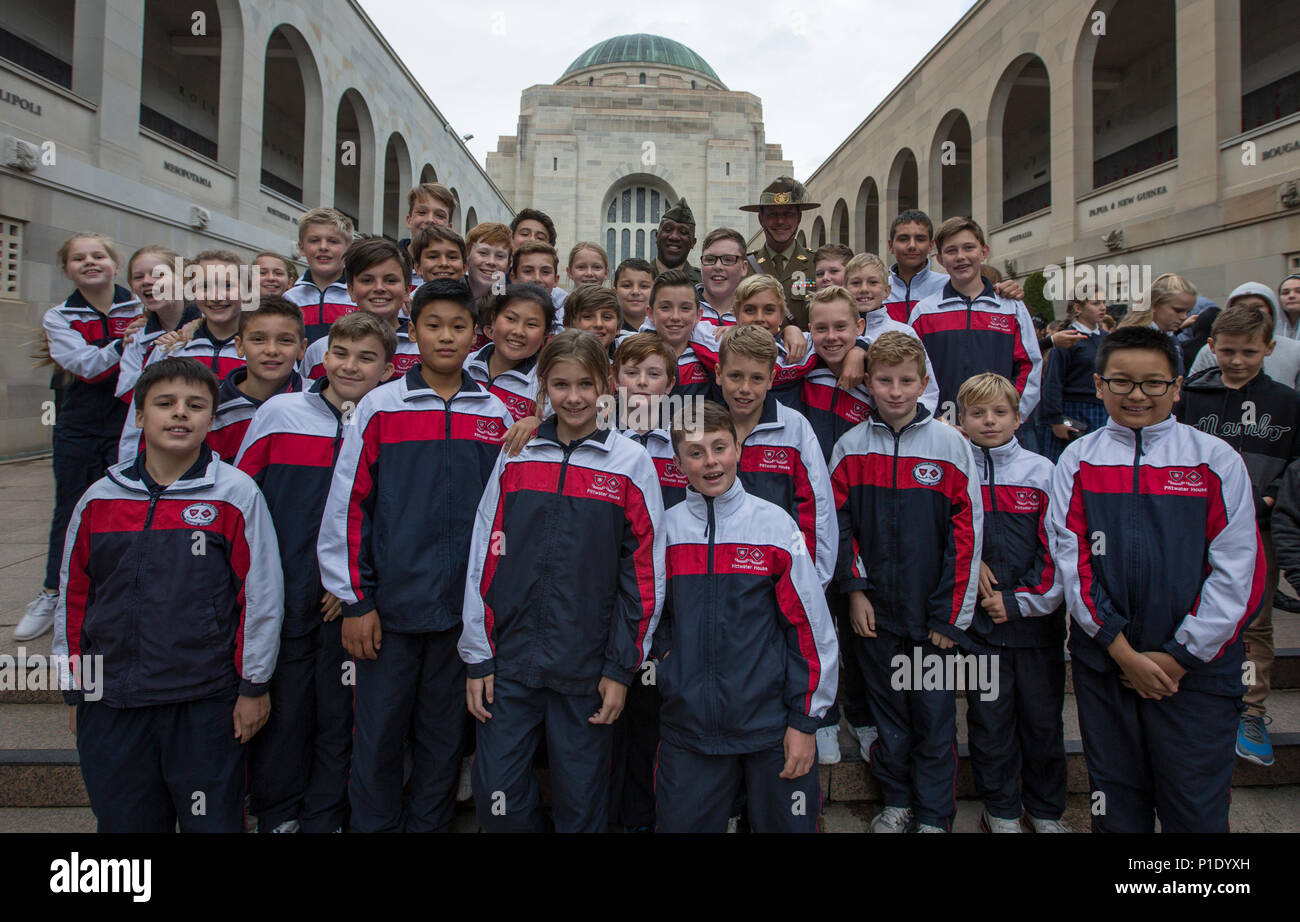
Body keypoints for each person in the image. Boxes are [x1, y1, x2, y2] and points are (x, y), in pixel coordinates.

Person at [1048, 325, 1265, 833]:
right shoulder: (1078, 460)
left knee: (1196, 806)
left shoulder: (1215, 460)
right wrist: (1121, 651)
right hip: (1107, 667)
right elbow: (1071, 559)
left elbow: (1238, 571)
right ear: (1099, 385)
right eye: (1121, 382)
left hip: (1198, 673)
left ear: (1177, 386)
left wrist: (1180, 656)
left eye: (1153, 383)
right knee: (1116, 802)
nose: (1137, 395)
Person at [53, 356, 284, 832]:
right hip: (112, 701)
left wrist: (253, 685)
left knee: (213, 821)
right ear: (140, 416)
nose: (180, 413)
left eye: (195, 405)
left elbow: (261, 597)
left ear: (210, 419)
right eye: (165, 403)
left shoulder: (235, 494)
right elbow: (73, 598)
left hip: (203, 699)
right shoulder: (100, 498)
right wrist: (75, 686)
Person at [318, 279, 514, 833]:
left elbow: (502, 517)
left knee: (442, 741)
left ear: (474, 334)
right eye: (433, 325)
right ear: (412, 330)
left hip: (459, 617)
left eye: (457, 326)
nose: (446, 337)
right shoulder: (381, 408)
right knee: (378, 738)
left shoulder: (494, 415)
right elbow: (347, 508)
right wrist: (356, 601)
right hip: (389, 615)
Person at [459, 330, 665, 833]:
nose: (573, 397)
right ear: (542, 387)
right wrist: (478, 652)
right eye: (559, 385)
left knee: (582, 802)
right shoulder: (517, 452)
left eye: (585, 384)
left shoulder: (631, 463)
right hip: (507, 661)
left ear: (607, 384)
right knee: (499, 796)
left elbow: (644, 574)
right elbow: (484, 551)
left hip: (587, 664)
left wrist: (620, 669)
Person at [236, 310, 396, 834]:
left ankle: (325, 815)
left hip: (349, 595)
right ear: (321, 358)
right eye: (340, 353)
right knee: (285, 709)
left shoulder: (383, 420)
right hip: (282, 586)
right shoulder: (281, 413)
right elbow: (243, 500)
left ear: (389, 369)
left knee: (339, 714)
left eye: (366, 357)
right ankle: (279, 813)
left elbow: (383, 513)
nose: (350, 366)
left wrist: (350, 583)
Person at [654, 400, 838, 832]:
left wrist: (805, 722)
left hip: (772, 729)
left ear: (737, 449)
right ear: (679, 462)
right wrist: (667, 665)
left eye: (719, 447)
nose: (710, 461)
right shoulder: (667, 529)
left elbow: (810, 629)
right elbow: (651, 614)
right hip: (689, 730)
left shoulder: (774, 526)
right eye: (696, 452)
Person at [830, 331, 982, 832]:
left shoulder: (951, 445)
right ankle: (896, 801)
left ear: (923, 383)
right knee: (888, 716)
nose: (895, 391)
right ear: (868, 382)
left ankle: (936, 816)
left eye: (906, 381)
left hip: (929, 616)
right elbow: (839, 524)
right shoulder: (851, 446)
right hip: (876, 613)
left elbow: (967, 538)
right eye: (884, 380)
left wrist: (949, 615)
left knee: (934, 720)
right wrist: (854, 590)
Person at [1175, 303, 1300, 768]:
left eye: (1250, 351)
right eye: (1228, 350)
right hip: (1193, 529)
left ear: (1269, 348)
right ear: (1211, 348)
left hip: (1259, 530)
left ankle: (1250, 711)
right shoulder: (1191, 396)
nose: (1238, 360)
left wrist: (1270, 501)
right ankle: (1193, 698)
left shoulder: (1287, 402)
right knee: (1189, 607)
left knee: (1255, 623)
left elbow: (1294, 466)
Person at [958, 372, 1069, 833]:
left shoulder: (1043, 472)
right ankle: (1000, 809)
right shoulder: (955, 471)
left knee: (1043, 726)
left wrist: (1023, 602)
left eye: (1000, 412)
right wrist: (971, 563)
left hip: (1035, 628)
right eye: (978, 413)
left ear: (1019, 417)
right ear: (960, 420)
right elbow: (948, 536)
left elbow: (1060, 550)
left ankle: (1045, 811)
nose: (989, 421)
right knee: (990, 724)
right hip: (980, 630)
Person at [18, 234, 141, 643]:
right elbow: (85, 366)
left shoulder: (139, 305)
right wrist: (125, 344)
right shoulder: (60, 316)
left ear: (113, 262)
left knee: (129, 510)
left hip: (132, 424)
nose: (90, 262)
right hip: (80, 427)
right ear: (67, 269)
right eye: (78, 258)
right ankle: (53, 592)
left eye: (98, 255)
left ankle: (120, 594)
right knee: (70, 510)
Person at [607, 331, 683, 831]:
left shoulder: (684, 439)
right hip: (605, 597)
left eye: (654, 374)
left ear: (672, 384)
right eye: (631, 373)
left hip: (668, 601)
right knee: (607, 718)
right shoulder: (593, 433)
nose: (641, 384)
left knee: (653, 720)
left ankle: (646, 817)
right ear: (613, 380)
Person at [116, 250, 249, 463]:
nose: (216, 296)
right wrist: (129, 468)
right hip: (176, 470)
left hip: (243, 469)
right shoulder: (168, 349)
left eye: (227, 286)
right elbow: (138, 419)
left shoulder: (259, 351)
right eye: (205, 286)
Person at [908, 217, 1042, 421]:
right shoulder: (924, 312)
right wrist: (930, 419)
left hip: (998, 430)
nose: (960, 257)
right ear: (941, 259)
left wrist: (1011, 417)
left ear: (984, 251)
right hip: (942, 428)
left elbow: (1029, 367)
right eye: (951, 251)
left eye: (968, 247)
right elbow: (912, 371)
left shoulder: (1011, 308)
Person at [302, 238, 418, 380]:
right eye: (367, 280)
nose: (379, 288)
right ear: (351, 291)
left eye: (390, 280)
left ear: (407, 290)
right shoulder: (320, 350)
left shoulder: (423, 349)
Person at [205, 298, 306, 461]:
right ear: (239, 346)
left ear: (302, 348)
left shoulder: (319, 402)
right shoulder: (213, 408)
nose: (271, 350)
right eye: (258, 339)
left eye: (285, 340)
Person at [843, 253, 939, 412]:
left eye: (873, 282)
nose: (864, 289)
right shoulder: (837, 333)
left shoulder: (904, 332)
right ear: (845, 289)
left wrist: (915, 422)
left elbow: (927, 390)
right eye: (856, 283)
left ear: (887, 291)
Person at [465, 282, 551, 421]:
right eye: (510, 319)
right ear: (493, 319)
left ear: (545, 334)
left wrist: (539, 427)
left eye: (531, 324)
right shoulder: (464, 365)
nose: (518, 331)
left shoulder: (546, 385)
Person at [1188, 283, 1300, 390]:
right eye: (1227, 351)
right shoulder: (1209, 351)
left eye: (1257, 307)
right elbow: (1193, 387)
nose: (1237, 361)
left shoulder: (1294, 349)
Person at [742, 176, 820, 328]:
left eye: (788, 214)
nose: (780, 221)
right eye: (772, 214)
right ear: (761, 219)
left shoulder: (817, 264)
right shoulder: (745, 266)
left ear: (799, 217)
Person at [1040, 295, 1109, 461]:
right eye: (1095, 303)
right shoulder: (1068, 339)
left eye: (1104, 303)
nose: (1103, 307)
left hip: (1103, 410)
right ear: (1078, 308)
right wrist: (1056, 420)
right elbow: (1053, 382)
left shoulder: (1107, 338)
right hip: (1073, 412)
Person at [284, 208, 357, 343]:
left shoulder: (359, 297)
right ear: (301, 248)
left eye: (333, 241)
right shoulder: (289, 299)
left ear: (348, 249)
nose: (323, 247)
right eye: (314, 240)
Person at [1117, 272, 1197, 376]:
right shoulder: (1132, 340)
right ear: (1155, 304)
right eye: (1178, 310)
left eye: (1188, 312)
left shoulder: (1172, 338)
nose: (1184, 317)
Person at [698, 227, 749, 324]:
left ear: (744, 267)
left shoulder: (755, 316)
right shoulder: (681, 309)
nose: (718, 266)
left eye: (728, 259)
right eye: (710, 259)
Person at [563, 285, 621, 354]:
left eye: (607, 317)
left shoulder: (629, 361)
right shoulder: (555, 362)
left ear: (619, 327)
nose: (599, 324)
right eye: (587, 317)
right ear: (567, 324)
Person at [654, 199, 700, 285]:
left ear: (693, 243)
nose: (674, 237)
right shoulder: (637, 278)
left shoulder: (703, 283)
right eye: (667, 230)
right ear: (657, 236)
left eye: (683, 232)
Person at [614, 258, 656, 331]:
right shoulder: (607, 331)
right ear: (615, 292)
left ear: (655, 292)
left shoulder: (664, 330)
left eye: (644, 286)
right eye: (627, 285)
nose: (635, 292)